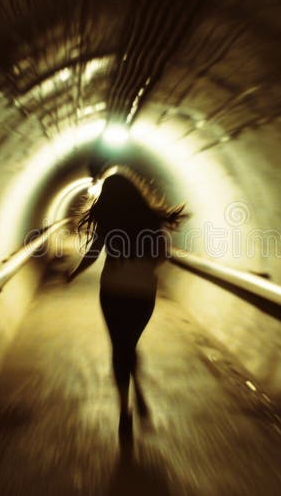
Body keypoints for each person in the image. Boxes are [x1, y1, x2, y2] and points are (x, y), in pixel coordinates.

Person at [67, 166, 186, 436]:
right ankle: (139, 391)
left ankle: (125, 410)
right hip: (143, 294)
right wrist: (145, 266)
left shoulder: (109, 221)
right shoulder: (151, 221)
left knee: (119, 347)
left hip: (112, 292)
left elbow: (92, 255)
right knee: (129, 344)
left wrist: (73, 274)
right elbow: (163, 255)